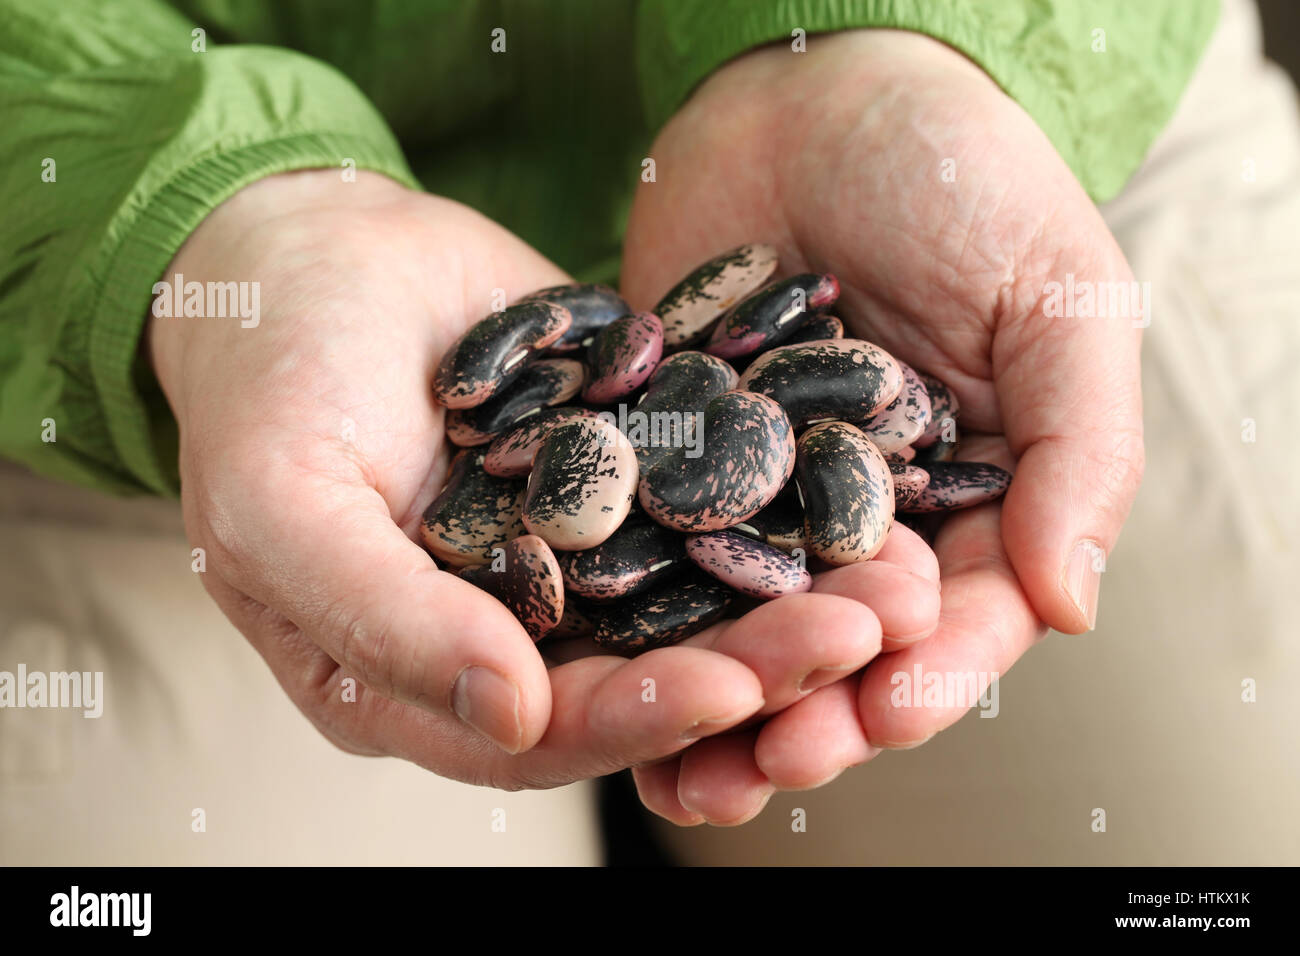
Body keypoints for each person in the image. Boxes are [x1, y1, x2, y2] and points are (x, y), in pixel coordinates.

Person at [3, 0, 1259, 865]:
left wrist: (889, 33)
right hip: (126, 278)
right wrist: (194, 222)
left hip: (1018, 85)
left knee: (1215, 839)